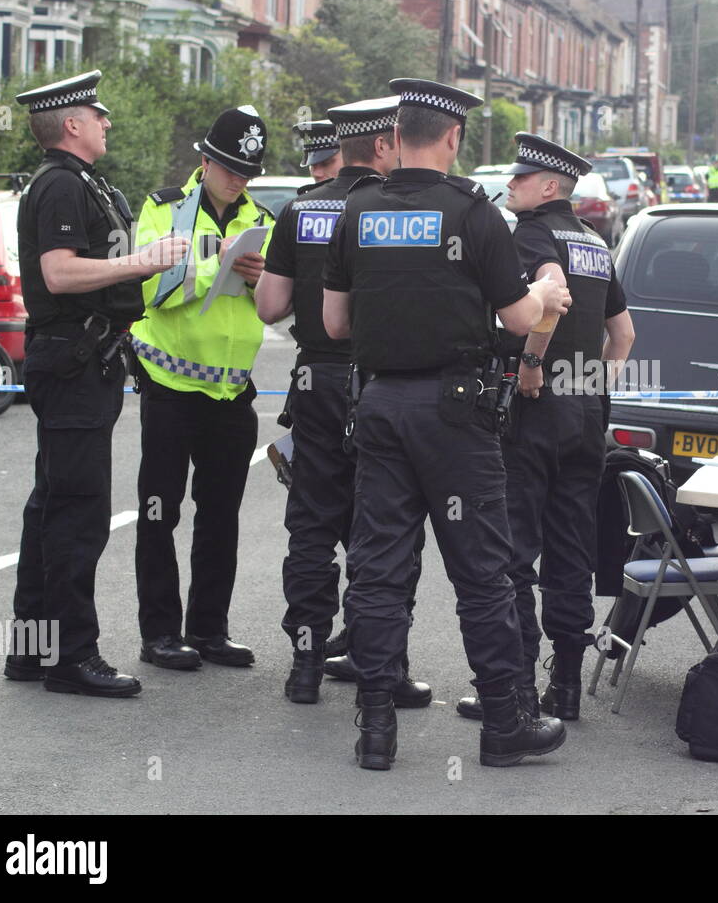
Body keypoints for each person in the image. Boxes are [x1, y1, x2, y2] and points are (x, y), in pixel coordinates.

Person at [322, 78, 572, 770]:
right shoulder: (473, 213)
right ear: (455, 138)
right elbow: (523, 322)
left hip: (378, 409)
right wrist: (545, 293)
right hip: (456, 416)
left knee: (376, 571)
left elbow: (335, 323)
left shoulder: (358, 209)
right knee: (483, 573)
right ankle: (504, 723)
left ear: (394, 138)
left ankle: (375, 728)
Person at [7, 70, 187, 696]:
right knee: (77, 514)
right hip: (73, 363)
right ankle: (71, 657)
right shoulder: (59, 185)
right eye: (97, 113)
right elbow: (59, 274)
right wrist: (145, 261)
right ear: (72, 125)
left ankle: (32, 650)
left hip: (85, 362)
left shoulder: (80, 182)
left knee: (51, 505)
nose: (108, 121)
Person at [255, 98, 431, 707]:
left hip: (314, 383)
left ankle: (305, 664)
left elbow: (269, 308)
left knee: (310, 525)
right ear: (382, 147)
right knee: (384, 531)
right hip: (380, 384)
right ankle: (378, 660)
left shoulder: (301, 208)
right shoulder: (391, 209)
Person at [455, 133, 634, 722]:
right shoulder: (596, 242)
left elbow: (549, 298)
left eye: (521, 178)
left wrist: (531, 368)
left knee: (513, 552)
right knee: (570, 550)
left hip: (534, 412)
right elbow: (624, 336)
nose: (511, 185)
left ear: (549, 187)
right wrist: (594, 386)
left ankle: (517, 691)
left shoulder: (531, 235)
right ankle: (569, 686)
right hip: (585, 413)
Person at [130, 106, 276, 670]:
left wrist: (264, 281)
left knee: (221, 514)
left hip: (232, 393)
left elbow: (273, 309)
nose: (239, 178)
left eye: (248, 170)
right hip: (170, 386)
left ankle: (209, 630)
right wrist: (224, 269)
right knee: (159, 511)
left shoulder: (260, 217)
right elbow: (157, 284)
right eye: (231, 166)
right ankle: (161, 633)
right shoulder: (165, 208)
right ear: (206, 159)